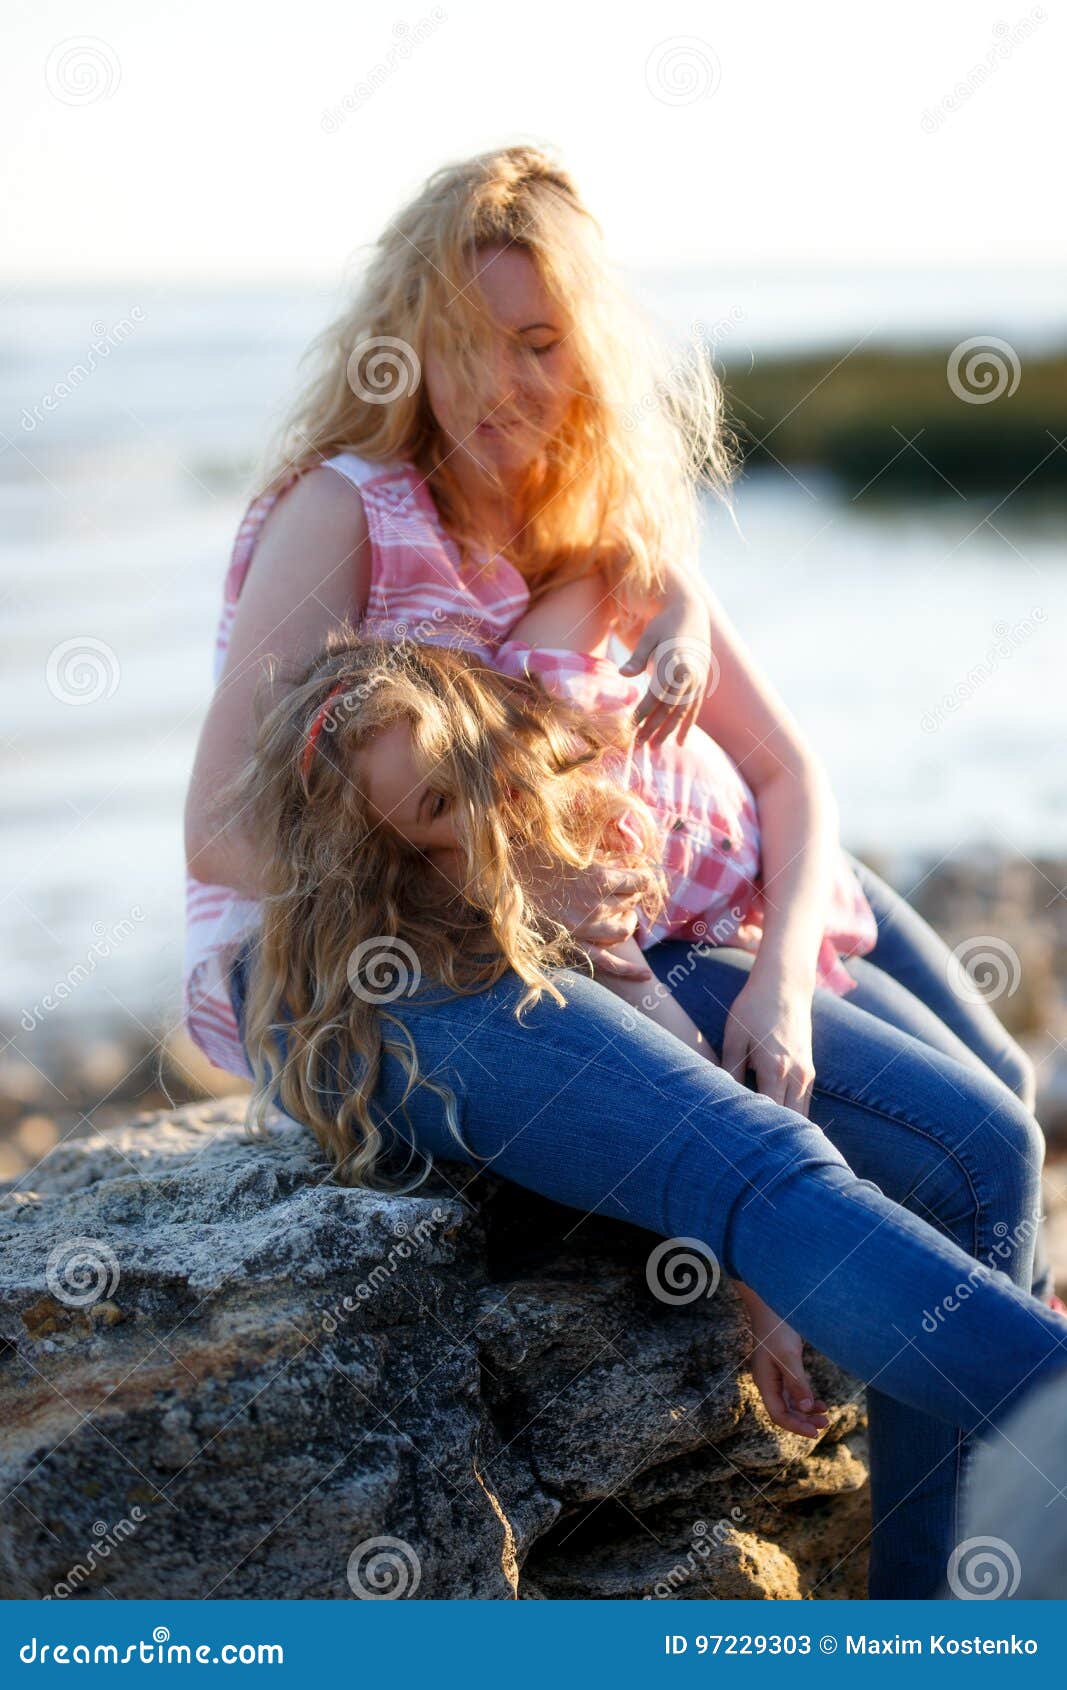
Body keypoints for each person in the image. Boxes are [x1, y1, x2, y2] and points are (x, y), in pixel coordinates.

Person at [184, 143, 1061, 1596]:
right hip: (356, 959)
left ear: (590, 351)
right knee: (791, 1159)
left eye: (539, 343)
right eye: (465, 341)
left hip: (606, 928)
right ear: (407, 339)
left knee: (981, 1146)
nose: (498, 383)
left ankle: (945, 1615)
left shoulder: (570, 524)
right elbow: (223, 828)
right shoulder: (346, 509)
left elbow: (735, 761)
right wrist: (496, 871)